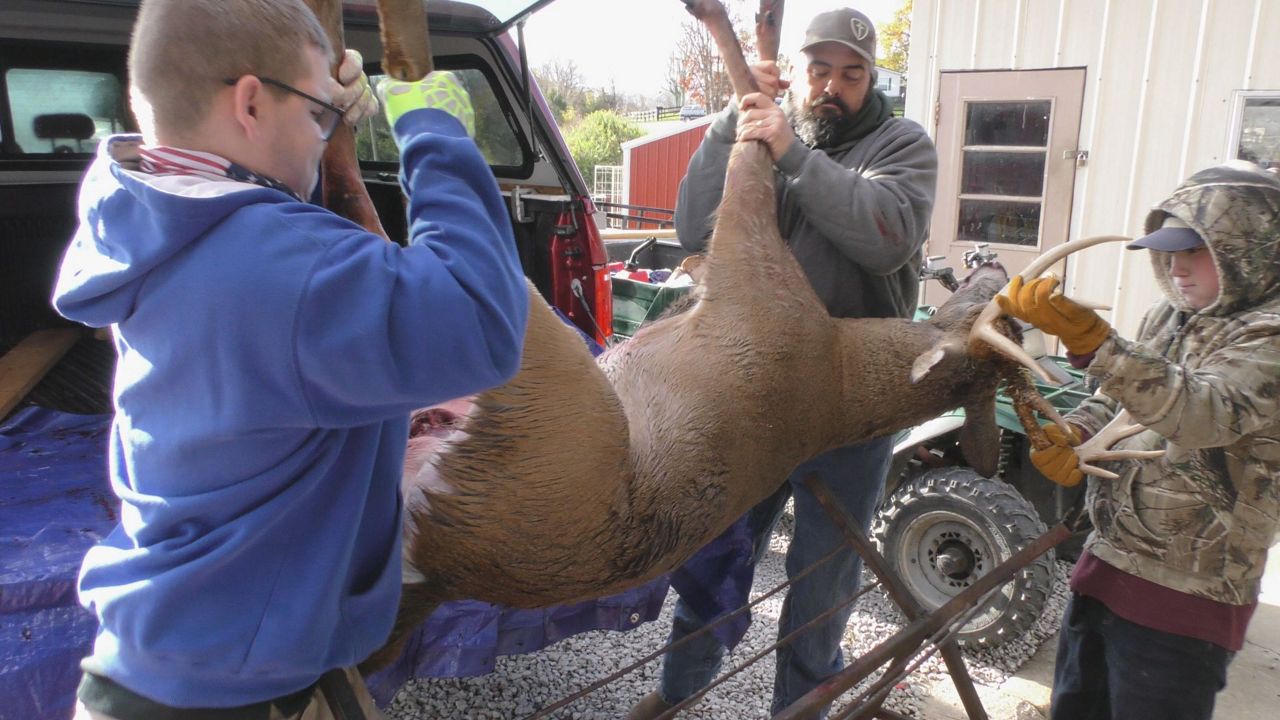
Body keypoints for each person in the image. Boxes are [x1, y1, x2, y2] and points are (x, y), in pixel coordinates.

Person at [56, 0, 529, 717]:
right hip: (226, 694)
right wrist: (431, 127)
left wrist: (313, 104)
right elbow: (483, 320)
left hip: (179, 658)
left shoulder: (150, 215)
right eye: (315, 116)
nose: (323, 138)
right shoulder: (277, 270)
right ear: (249, 101)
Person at [627, 7, 937, 719]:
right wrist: (728, 126)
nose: (833, 86)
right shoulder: (767, 131)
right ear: (797, 73)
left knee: (822, 582)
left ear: (871, 79)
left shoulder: (901, 145)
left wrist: (794, 152)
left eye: (851, 74)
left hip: (852, 403)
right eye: (819, 70)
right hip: (756, 391)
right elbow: (691, 225)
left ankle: (798, 711)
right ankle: (677, 694)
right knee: (718, 556)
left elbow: (886, 236)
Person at [996, 161, 1280, 720]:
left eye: (1197, 251)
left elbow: (1203, 412)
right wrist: (1073, 432)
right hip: (1108, 564)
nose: (1176, 268)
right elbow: (1124, 400)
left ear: (1248, 249)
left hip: (1188, 595)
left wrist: (1098, 346)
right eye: (1170, 252)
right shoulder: (1170, 316)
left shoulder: (1269, 337)